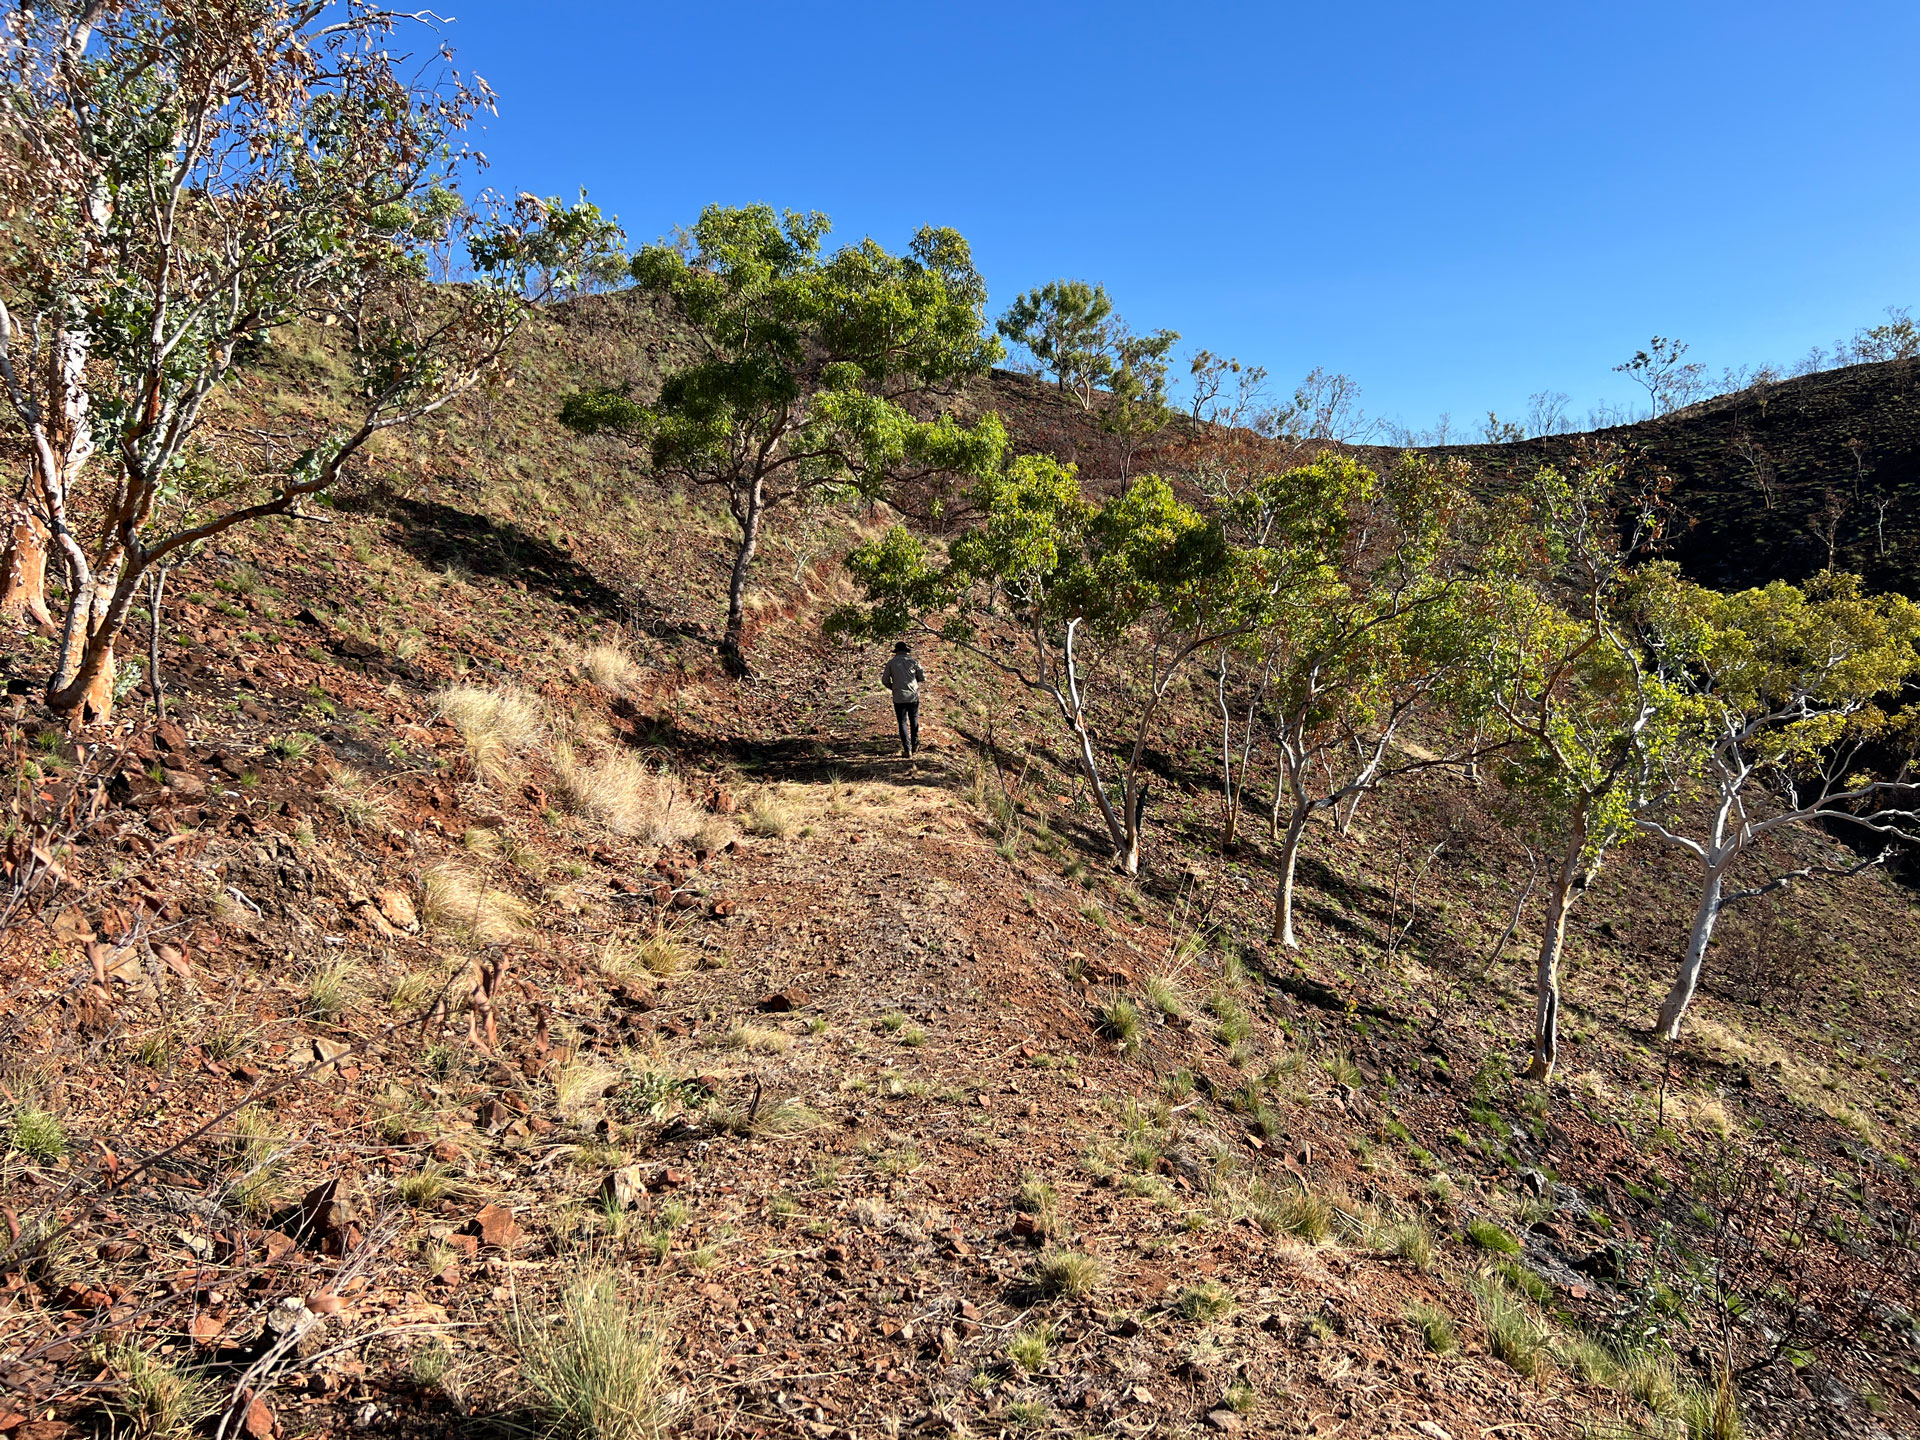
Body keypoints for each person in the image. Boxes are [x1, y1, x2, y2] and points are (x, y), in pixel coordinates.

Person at [881, 640, 926, 756]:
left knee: (902, 722)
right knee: (914, 719)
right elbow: (922, 677)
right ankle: (915, 744)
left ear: (896, 651)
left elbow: (885, 680)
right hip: (912, 696)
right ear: (906, 651)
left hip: (899, 697)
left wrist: (894, 687)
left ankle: (907, 749)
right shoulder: (913, 661)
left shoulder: (891, 663)